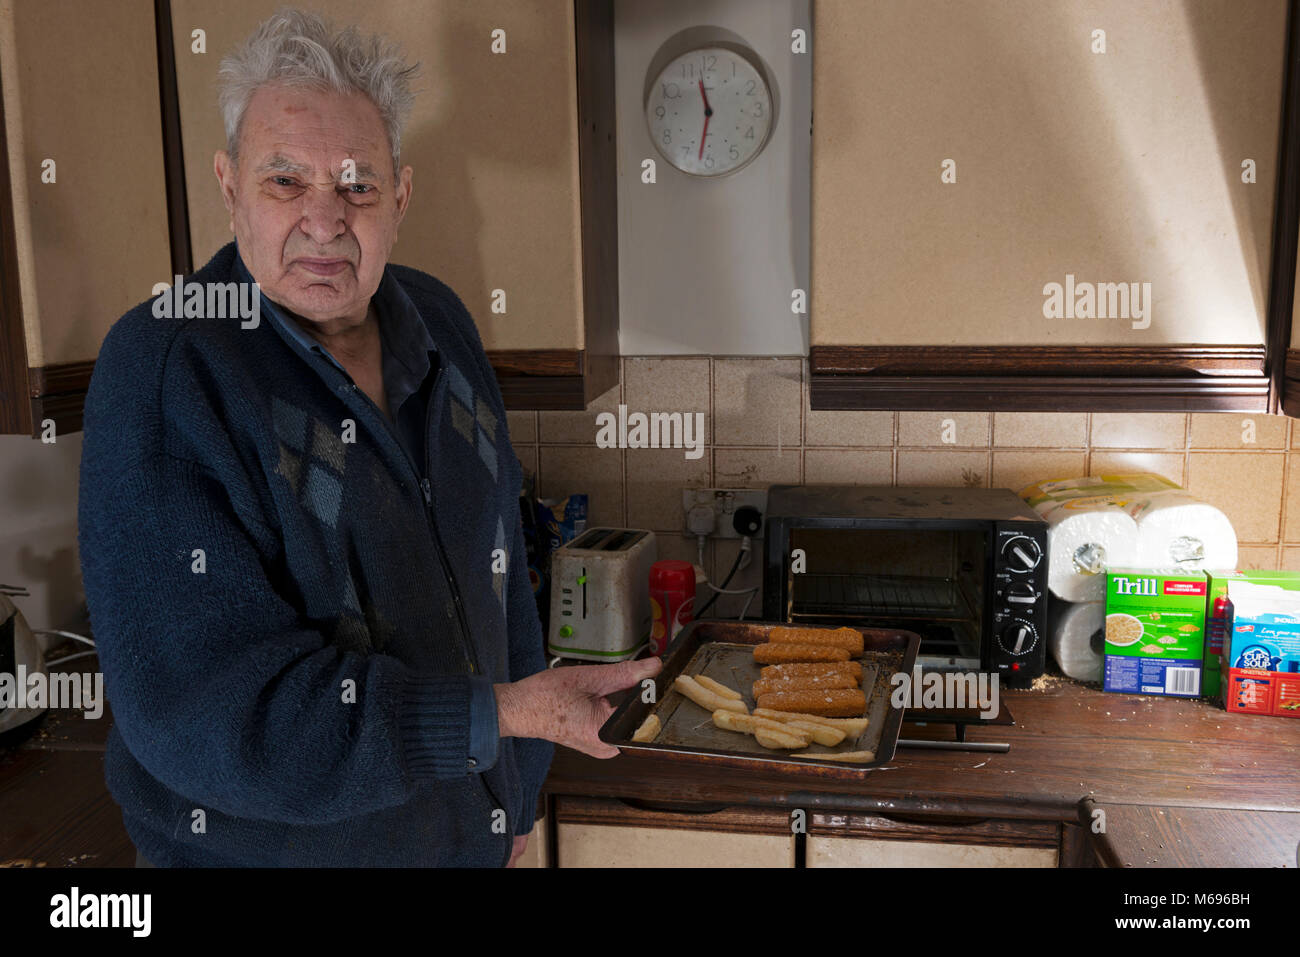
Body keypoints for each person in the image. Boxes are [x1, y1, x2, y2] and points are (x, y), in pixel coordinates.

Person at [77, 7, 659, 867]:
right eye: (284, 181)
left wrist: (515, 791)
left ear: (401, 194)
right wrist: (501, 718)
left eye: (356, 184)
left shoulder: (442, 323)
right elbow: (220, 720)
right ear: (229, 184)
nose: (324, 220)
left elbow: (502, 583)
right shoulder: (168, 369)